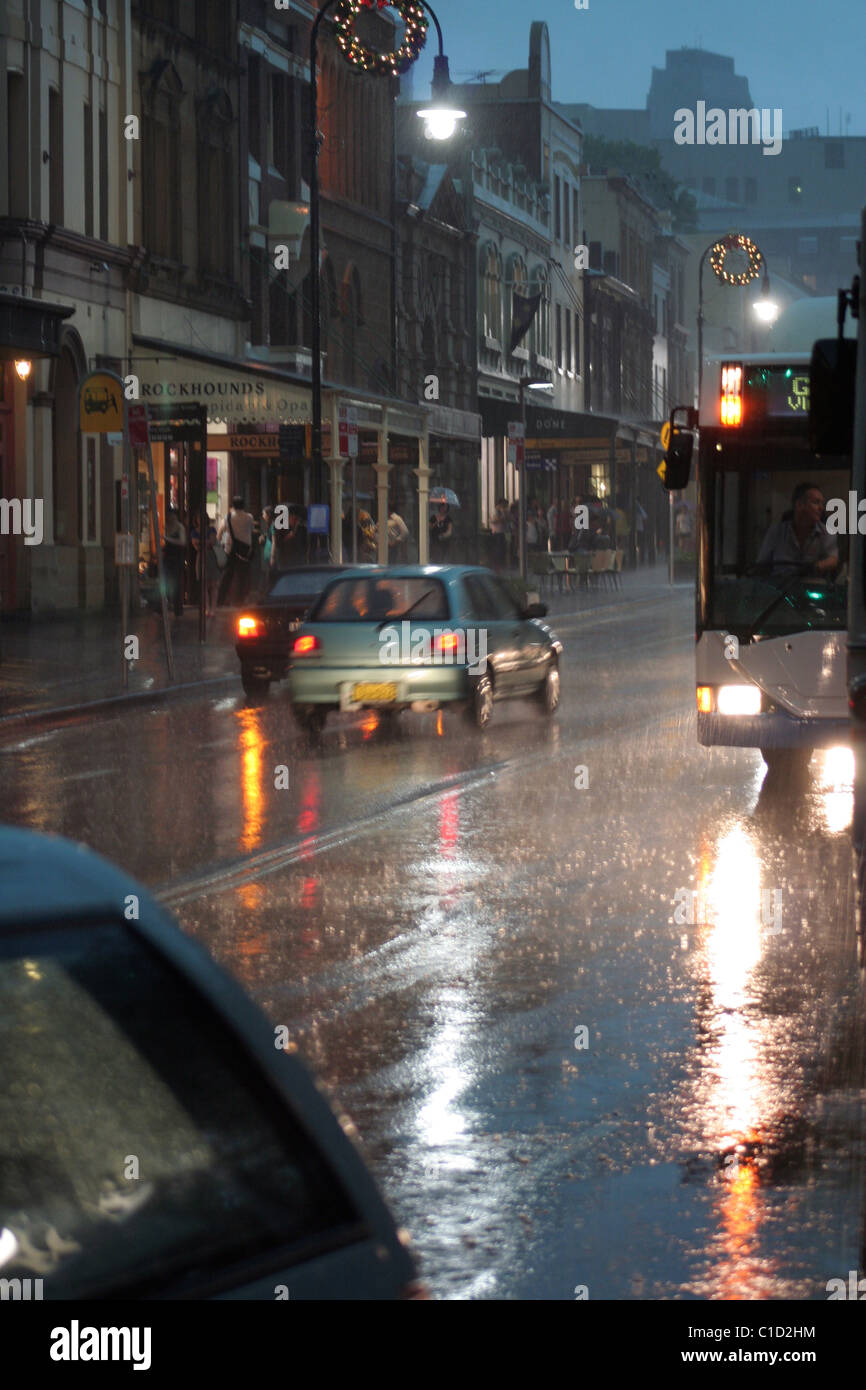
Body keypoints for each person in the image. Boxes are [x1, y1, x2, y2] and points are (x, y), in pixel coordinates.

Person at [756, 481, 838, 578]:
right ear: (799, 504)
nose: (821, 508)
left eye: (822, 503)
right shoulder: (776, 532)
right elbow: (761, 566)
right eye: (816, 502)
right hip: (779, 587)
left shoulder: (826, 532)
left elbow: (833, 560)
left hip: (813, 587)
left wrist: (815, 567)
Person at [217, 495, 255, 606]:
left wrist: (219, 548)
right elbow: (251, 530)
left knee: (227, 576)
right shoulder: (249, 517)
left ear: (233, 506)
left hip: (231, 550)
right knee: (243, 576)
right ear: (243, 505)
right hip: (245, 551)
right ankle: (241, 600)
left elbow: (219, 534)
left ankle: (221, 600)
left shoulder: (228, 517)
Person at [163, 506, 187, 616]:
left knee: (176, 584)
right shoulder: (167, 526)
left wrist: (168, 539)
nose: (171, 518)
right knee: (165, 582)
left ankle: (177, 609)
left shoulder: (179, 527)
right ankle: (164, 607)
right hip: (167, 557)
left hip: (177, 558)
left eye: (172, 516)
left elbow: (182, 542)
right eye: (169, 516)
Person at [271, 505, 307, 569]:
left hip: (298, 560)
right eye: (293, 518)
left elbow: (305, 544)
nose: (295, 521)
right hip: (285, 560)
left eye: (297, 519)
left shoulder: (301, 529)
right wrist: (289, 536)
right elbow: (278, 543)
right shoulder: (281, 528)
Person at [490, 497, 508, 571]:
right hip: (497, 532)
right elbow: (495, 520)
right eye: (504, 505)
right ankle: (496, 565)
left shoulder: (501, 511)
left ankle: (500, 564)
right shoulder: (496, 511)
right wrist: (503, 516)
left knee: (501, 548)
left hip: (501, 531)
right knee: (498, 548)